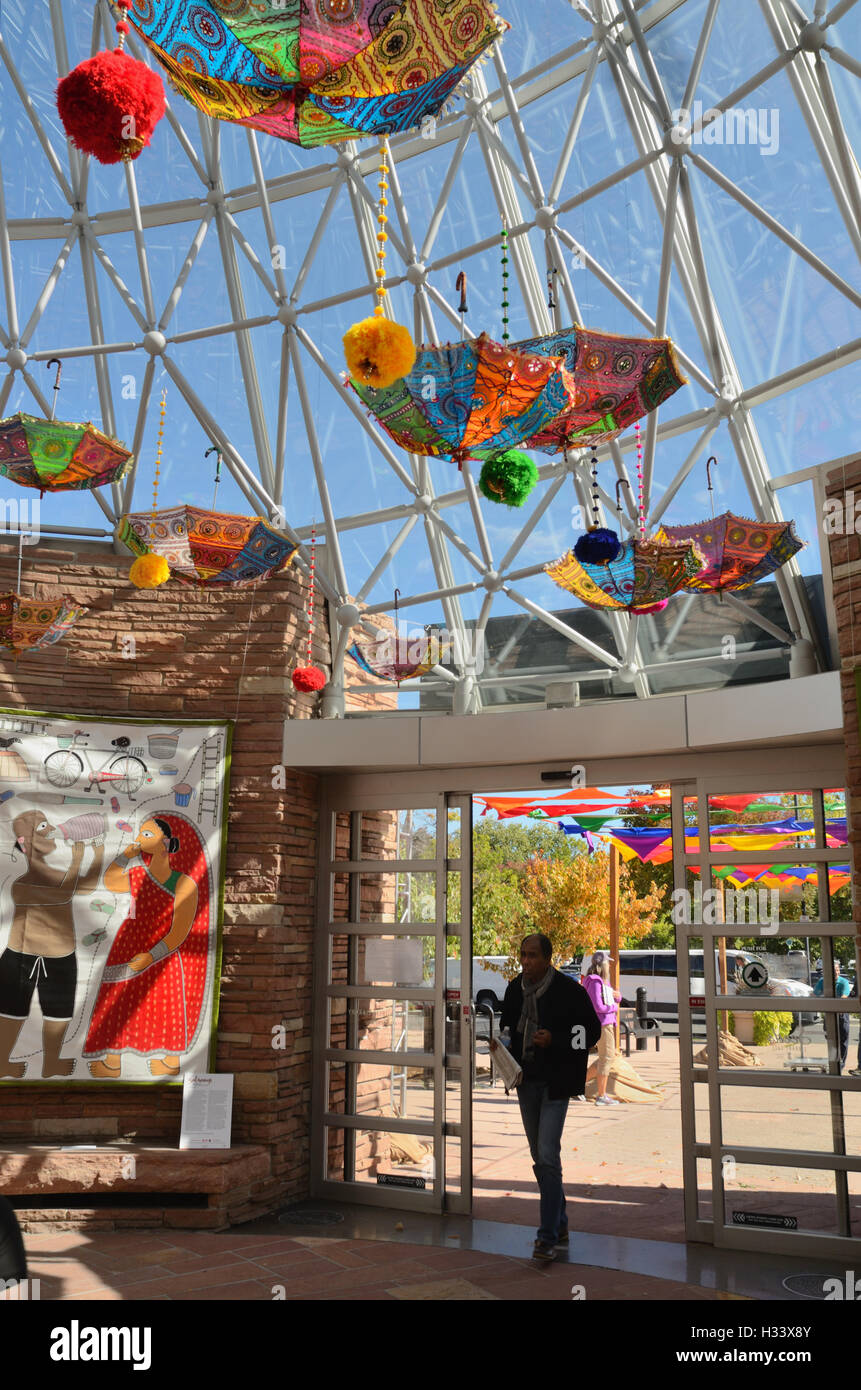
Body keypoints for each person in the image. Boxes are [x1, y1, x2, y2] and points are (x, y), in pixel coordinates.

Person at [493, 934, 601, 1263]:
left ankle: (546, 1237)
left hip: (556, 1083)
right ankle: (561, 1222)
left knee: (547, 1155)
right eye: (522, 955)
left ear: (547, 958)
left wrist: (556, 1039)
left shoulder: (569, 991)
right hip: (526, 1081)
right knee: (540, 1160)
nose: (525, 961)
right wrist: (503, 1047)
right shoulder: (514, 989)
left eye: (532, 956)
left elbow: (591, 1032)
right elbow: (508, 1027)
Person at [83, 816, 208, 1079]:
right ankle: (112, 1062)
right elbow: (110, 880)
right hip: (128, 945)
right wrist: (125, 856)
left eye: (147, 835)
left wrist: (152, 955)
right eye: (140, 834)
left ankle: (170, 1060)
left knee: (163, 1004)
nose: (140, 838)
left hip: (161, 952)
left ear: (164, 843)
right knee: (118, 1000)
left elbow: (180, 930)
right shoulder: (138, 874)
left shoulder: (183, 883)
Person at [0, 809, 103, 1078]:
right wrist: (78, 860)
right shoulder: (20, 882)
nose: (51, 830)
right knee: (11, 1010)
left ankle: (51, 1062)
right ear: (26, 842)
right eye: (42, 827)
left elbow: (86, 888)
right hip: (21, 955)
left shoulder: (59, 874)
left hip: (60, 956)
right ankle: (2, 1061)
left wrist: (99, 852)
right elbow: (61, 894)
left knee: (58, 1012)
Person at [581, 950, 622, 1106]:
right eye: (607, 962)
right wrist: (613, 1007)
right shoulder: (596, 982)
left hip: (606, 1022)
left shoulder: (602, 981)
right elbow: (597, 1005)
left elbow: (612, 997)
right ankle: (601, 1096)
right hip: (603, 1023)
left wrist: (617, 997)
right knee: (606, 1057)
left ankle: (577, 1086)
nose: (609, 965)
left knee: (605, 1057)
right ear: (602, 964)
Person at [814, 958, 851, 1073]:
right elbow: (815, 994)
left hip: (841, 1014)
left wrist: (838, 1005)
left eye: (838, 970)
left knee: (843, 1040)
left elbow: (845, 996)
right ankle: (833, 1062)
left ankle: (841, 1065)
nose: (836, 972)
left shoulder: (843, 982)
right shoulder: (822, 981)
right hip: (828, 1014)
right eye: (834, 970)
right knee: (830, 1038)